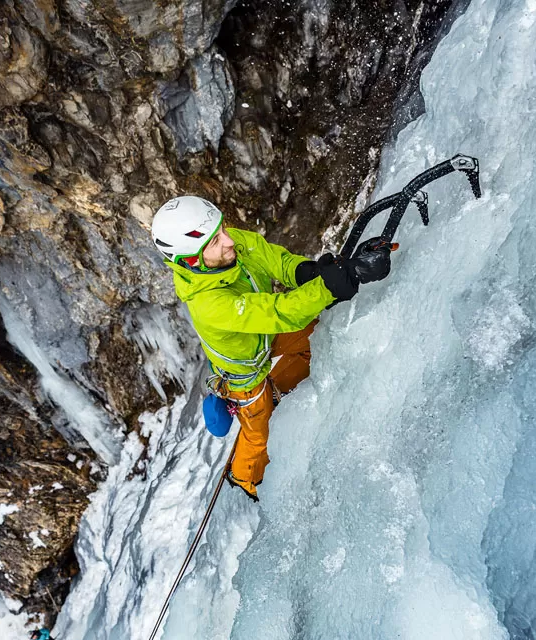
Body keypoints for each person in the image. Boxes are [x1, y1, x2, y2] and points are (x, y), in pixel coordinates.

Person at [152, 197, 393, 500]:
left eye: (223, 227)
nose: (229, 240)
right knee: (258, 436)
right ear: (190, 261)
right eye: (215, 241)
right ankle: (243, 480)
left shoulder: (231, 244)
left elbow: (275, 260)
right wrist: (332, 285)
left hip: (263, 337)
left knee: (316, 335)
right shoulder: (209, 304)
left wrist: (308, 272)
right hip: (245, 373)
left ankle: (276, 393)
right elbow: (279, 311)